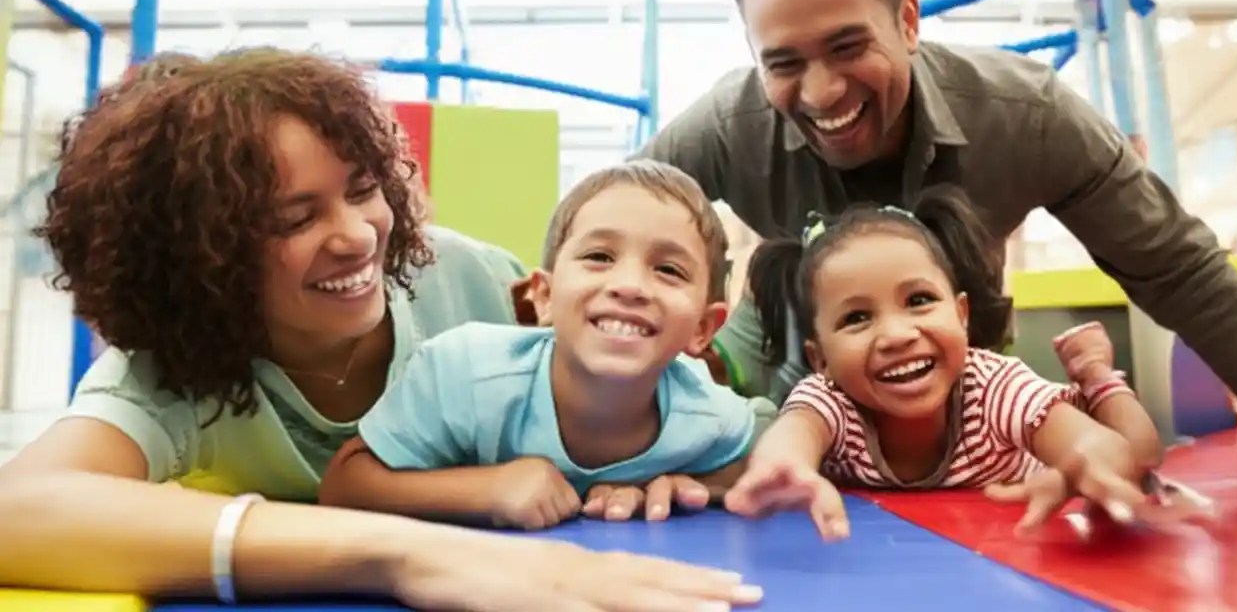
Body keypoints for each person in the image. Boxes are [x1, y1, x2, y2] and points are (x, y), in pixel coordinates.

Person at [0, 49, 764, 611]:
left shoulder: (468, 282)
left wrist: (680, 466)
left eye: (363, 191)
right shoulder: (171, 377)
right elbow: (19, 511)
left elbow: (643, 376)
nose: (358, 236)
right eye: (296, 218)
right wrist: (405, 552)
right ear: (203, 254)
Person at [632, 0, 1237, 428]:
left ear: (907, 22)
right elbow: (592, 240)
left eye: (848, 45)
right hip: (802, 399)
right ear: (755, 56)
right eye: (784, 63)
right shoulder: (729, 128)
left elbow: (1186, 276)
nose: (822, 91)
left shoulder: (1029, 116)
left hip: (963, 403)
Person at [718, 186, 1206, 539]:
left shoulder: (993, 387)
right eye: (857, 318)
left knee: (1140, 450)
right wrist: (784, 466)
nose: (896, 334)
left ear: (962, 314)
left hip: (1024, 492)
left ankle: (1095, 374)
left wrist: (1084, 462)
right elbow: (794, 435)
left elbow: (1101, 448)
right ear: (819, 358)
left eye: (919, 300)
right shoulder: (830, 400)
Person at [320, 160, 776, 528]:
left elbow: (778, 453)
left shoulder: (702, 412)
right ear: (543, 296)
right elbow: (344, 484)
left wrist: (687, 482)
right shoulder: (466, 374)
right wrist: (487, 491)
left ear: (703, 327)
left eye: (669, 270)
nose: (630, 285)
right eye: (599, 257)